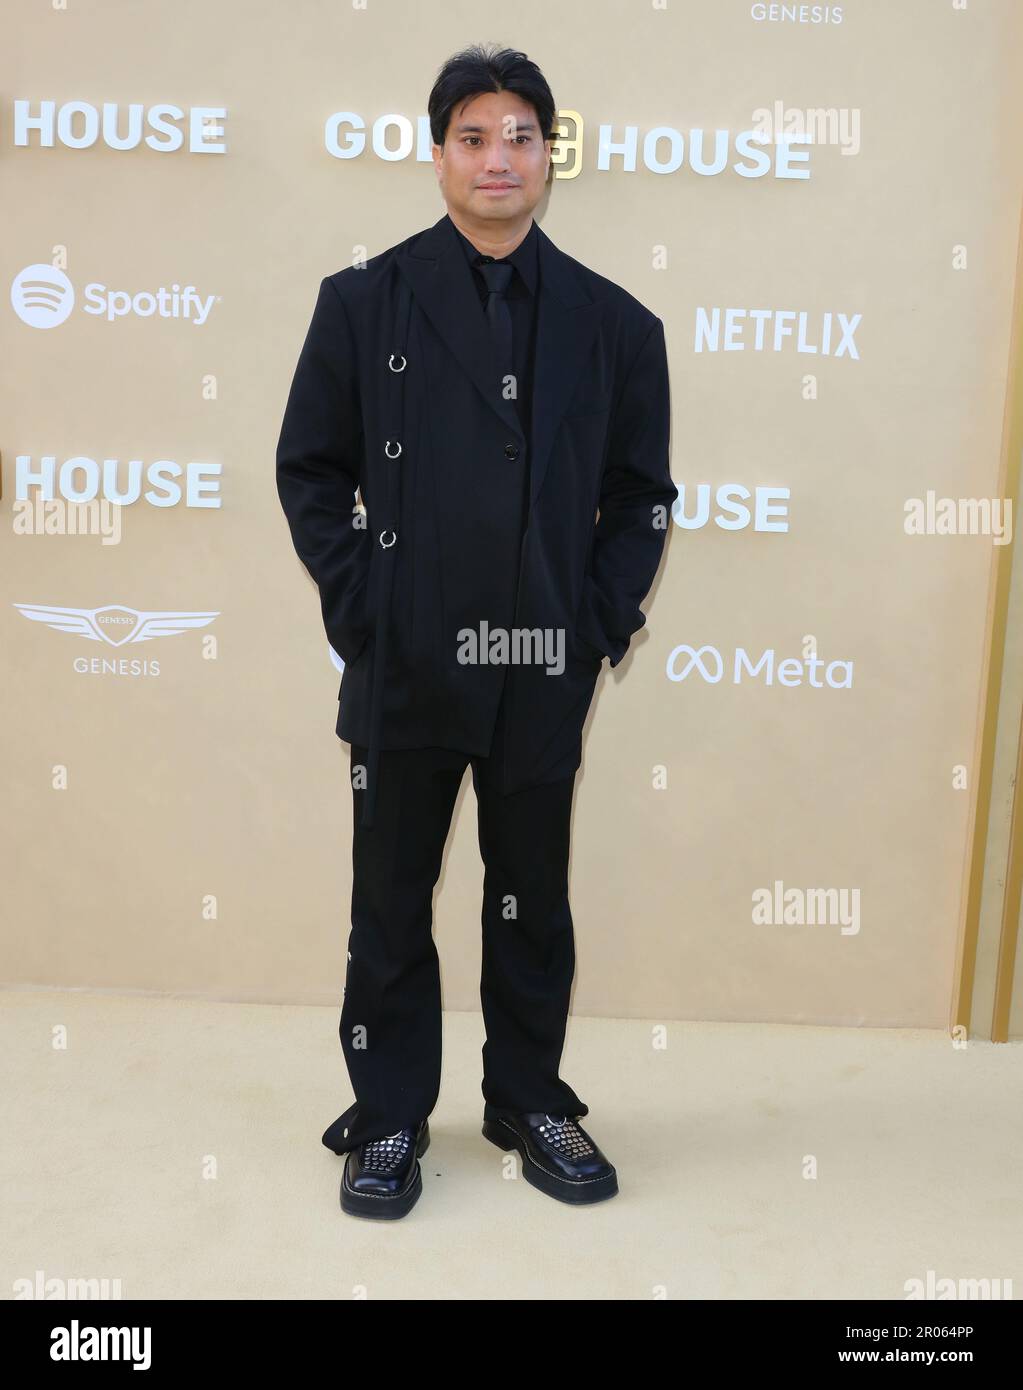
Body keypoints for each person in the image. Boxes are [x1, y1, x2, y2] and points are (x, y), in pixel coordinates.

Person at [275, 43, 674, 1219]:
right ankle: (391, 1116)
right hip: (406, 664)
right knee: (389, 900)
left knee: (531, 894)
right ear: (437, 152)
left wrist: (592, 625)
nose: (499, 158)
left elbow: (640, 497)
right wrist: (368, 609)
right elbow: (309, 472)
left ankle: (528, 1096)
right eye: (474, 135)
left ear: (552, 154)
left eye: (520, 136)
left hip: (540, 664)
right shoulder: (364, 302)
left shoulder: (616, 323)